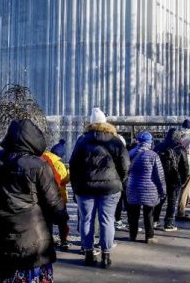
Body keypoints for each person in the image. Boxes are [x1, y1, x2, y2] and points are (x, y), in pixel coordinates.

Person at [0, 119, 68, 283]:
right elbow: (52, 199)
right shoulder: (39, 165)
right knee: (25, 260)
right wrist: (61, 218)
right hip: (28, 225)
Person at [69, 107, 129, 268]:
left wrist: (75, 187)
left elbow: (73, 166)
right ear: (105, 122)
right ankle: (106, 256)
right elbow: (125, 164)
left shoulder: (82, 140)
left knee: (87, 219)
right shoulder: (115, 140)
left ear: (90, 123)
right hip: (110, 187)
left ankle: (89, 254)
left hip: (85, 187)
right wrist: (119, 180)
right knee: (107, 220)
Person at [126, 131, 165, 244]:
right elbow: (159, 175)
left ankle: (132, 235)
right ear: (149, 142)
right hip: (149, 189)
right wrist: (162, 190)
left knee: (133, 214)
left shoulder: (130, 153)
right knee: (149, 214)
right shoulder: (153, 155)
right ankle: (149, 236)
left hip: (133, 187)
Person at [153, 128, 189, 231]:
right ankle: (168, 223)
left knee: (160, 199)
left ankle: (155, 220)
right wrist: (182, 179)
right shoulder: (180, 148)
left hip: (160, 177)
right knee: (172, 201)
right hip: (174, 178)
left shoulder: (159, 146)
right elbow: (185, 166)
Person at [41, 149, 71, 251]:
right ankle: (64, 240)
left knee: (47, 220)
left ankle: (49, 240)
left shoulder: (40, 159)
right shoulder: (58, 163)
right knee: (62, 221)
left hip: (45, 198)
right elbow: (64, 179)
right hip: (59, 196)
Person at [176, 119, 190, 221]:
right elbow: (189, 154)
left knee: (179, 189)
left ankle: (179, 210)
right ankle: (181, 212)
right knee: (186, 190)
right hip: (188, 166)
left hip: (178, 166)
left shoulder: (178, 137)